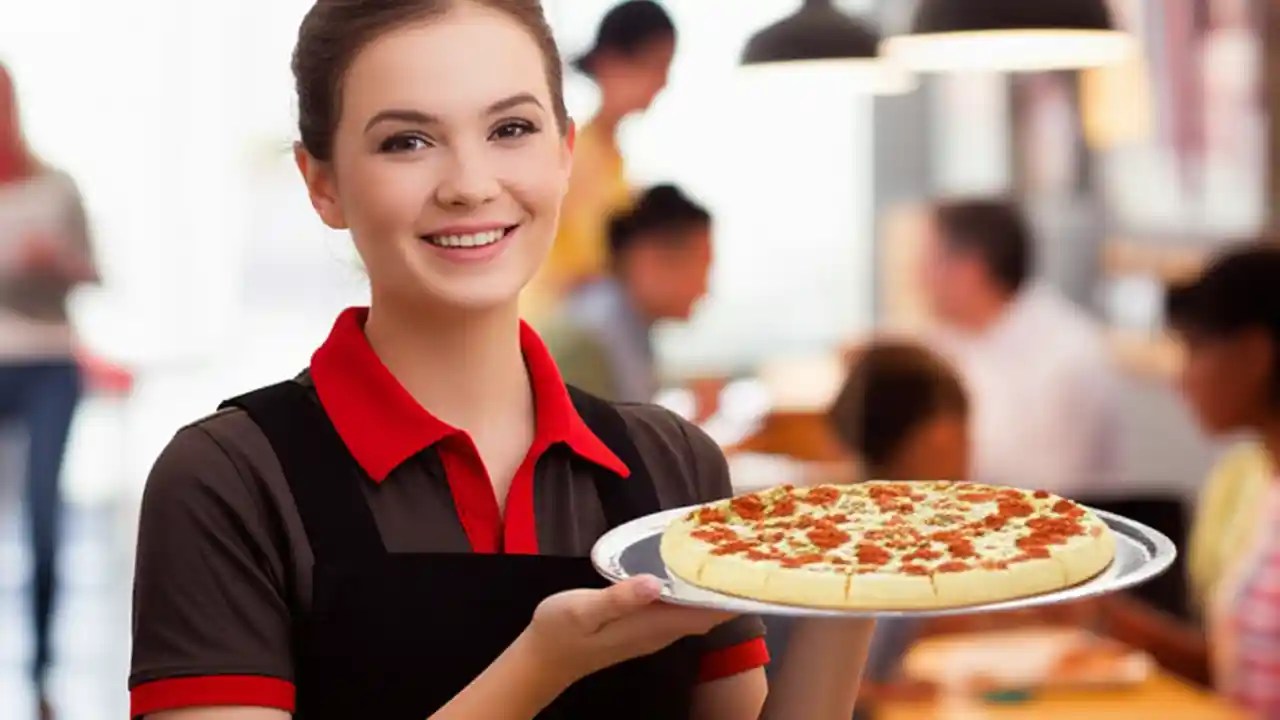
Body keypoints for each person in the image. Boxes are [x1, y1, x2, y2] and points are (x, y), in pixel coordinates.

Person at [128, 2, 874, 719]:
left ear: (565, 153)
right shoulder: (228, 481)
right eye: (407, 141)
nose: (470, 185)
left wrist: (863, 597)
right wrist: (540, 667)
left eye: (511, 128)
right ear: (322, 184)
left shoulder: (673, 464)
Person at [0, 62, 99, 720]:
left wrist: (55, 263)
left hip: (47, 366)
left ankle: (41, 676)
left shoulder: (56, 187)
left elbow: (95, 271)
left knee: (42, 516)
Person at [917, 198, 1121, 495]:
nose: (918, 277)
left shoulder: (1068, 356)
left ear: (970, 269)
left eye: (927, 261)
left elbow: (1049, 493)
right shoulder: (947, 340)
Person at [521, 0, 675, 319]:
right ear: (609, 62)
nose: (662, 83)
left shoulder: (613, 158)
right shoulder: (572, 156)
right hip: (557, 324)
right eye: (655, 65)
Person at [543, 183, 711, 404]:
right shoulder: (586, 343)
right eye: (700, 269)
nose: (703, 290)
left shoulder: (621, 330)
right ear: (648, 261)